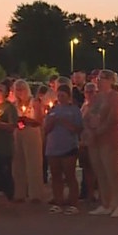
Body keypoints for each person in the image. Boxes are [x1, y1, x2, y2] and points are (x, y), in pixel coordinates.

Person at [84, 70, 118, 217]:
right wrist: (90, 129)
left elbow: (114, 118)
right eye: (98, 78)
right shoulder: (97, 98)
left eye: (102, 79)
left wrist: (99, 130)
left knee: (112, 172)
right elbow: (88, 113)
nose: (99, 81)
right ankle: (106, 202)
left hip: (110, 140)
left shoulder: (115, 97)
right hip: (95, 140)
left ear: (110, 80)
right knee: (100, 172)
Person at [43, 84, 83, 214]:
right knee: (55, 176)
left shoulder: (74, 110)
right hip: (53, 147)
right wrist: (52, 121)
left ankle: (73, 203)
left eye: (63, 96)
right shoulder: (53, 110)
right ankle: (58, 201)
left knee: (70, 175)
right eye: (59, 95)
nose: (60, 98)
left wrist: (65, 123)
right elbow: (46, 129)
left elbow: (78, 129)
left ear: (69, 97)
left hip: (69, 147)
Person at [11, 79, 46, 204]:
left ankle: (35, 194)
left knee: (33, 163)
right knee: (18, 163)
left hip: (32, 132)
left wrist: (26, 120)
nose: (20, 92)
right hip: (17, 133)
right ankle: (19, 193)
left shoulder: (34, 102)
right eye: (17, 89)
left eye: (22, 89)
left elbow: (39, 120)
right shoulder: (14, 104)